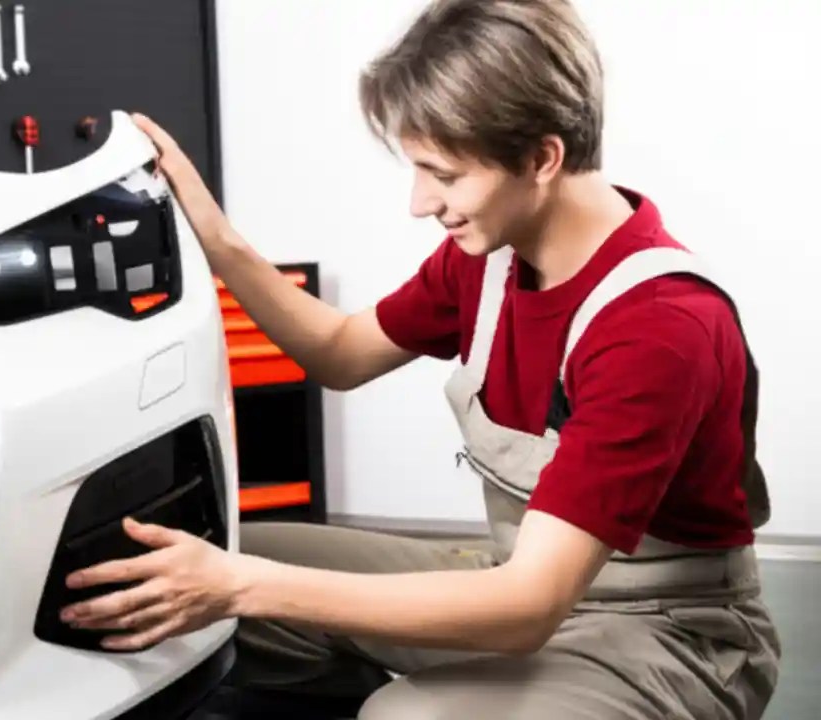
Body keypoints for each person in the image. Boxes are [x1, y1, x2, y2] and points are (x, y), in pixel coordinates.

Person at [58, 0, 781, 717]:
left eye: (443, 173)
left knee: (400, 713)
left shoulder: (658, 326)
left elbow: (527, 608)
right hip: (520, 579)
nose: (419, 202)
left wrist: (240, 584)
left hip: (664, 629)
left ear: (541, 157)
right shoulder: (492, 258)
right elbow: (339, 353)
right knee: (198, 566)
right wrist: (217, 239)